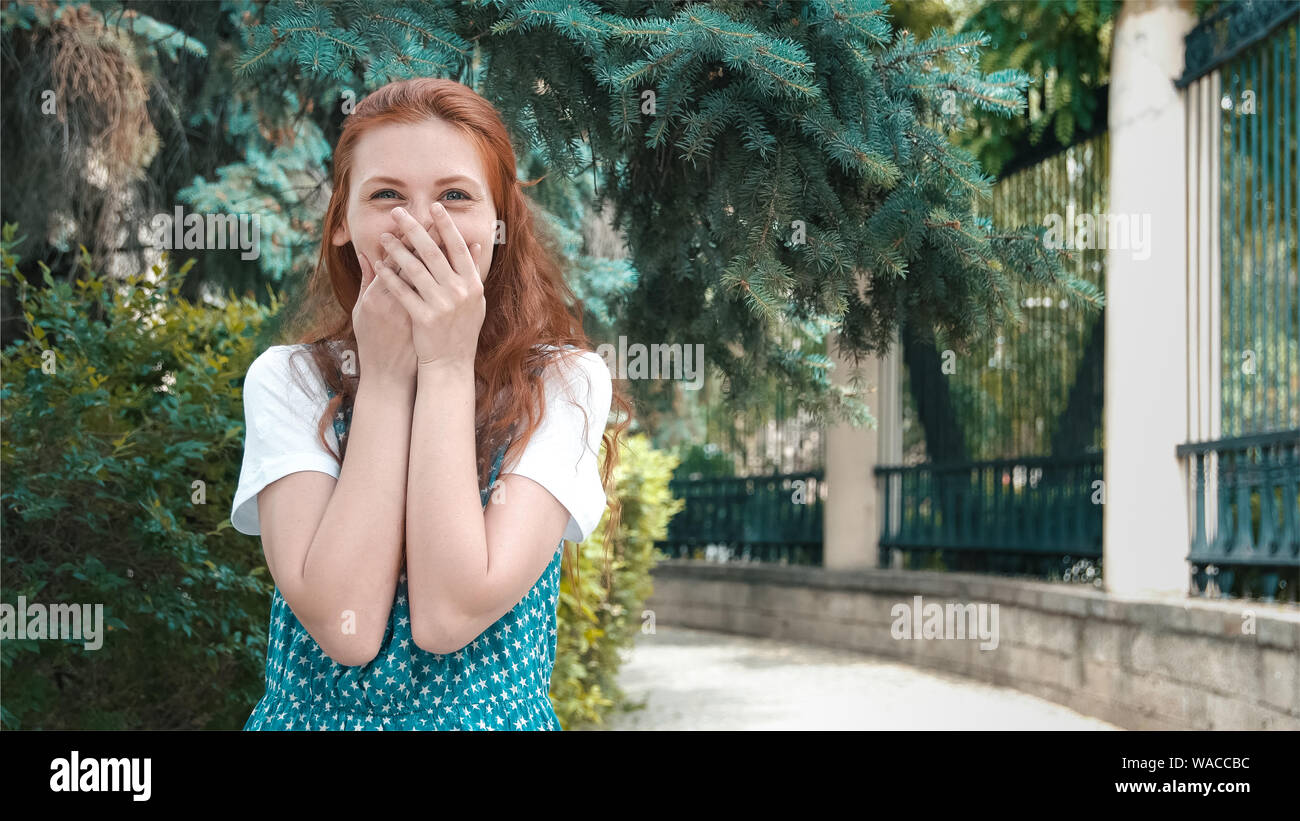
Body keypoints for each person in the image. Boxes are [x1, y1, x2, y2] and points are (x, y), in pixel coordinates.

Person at [229, 77, 629, 730]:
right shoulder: (291, 380)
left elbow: (448, 615)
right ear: (342, 223)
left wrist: (444, 367)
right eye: (386, 195)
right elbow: (345, 627)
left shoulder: (562, 384)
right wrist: (386, 380)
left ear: (498, 223)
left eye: (455, 196)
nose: (419, 224)